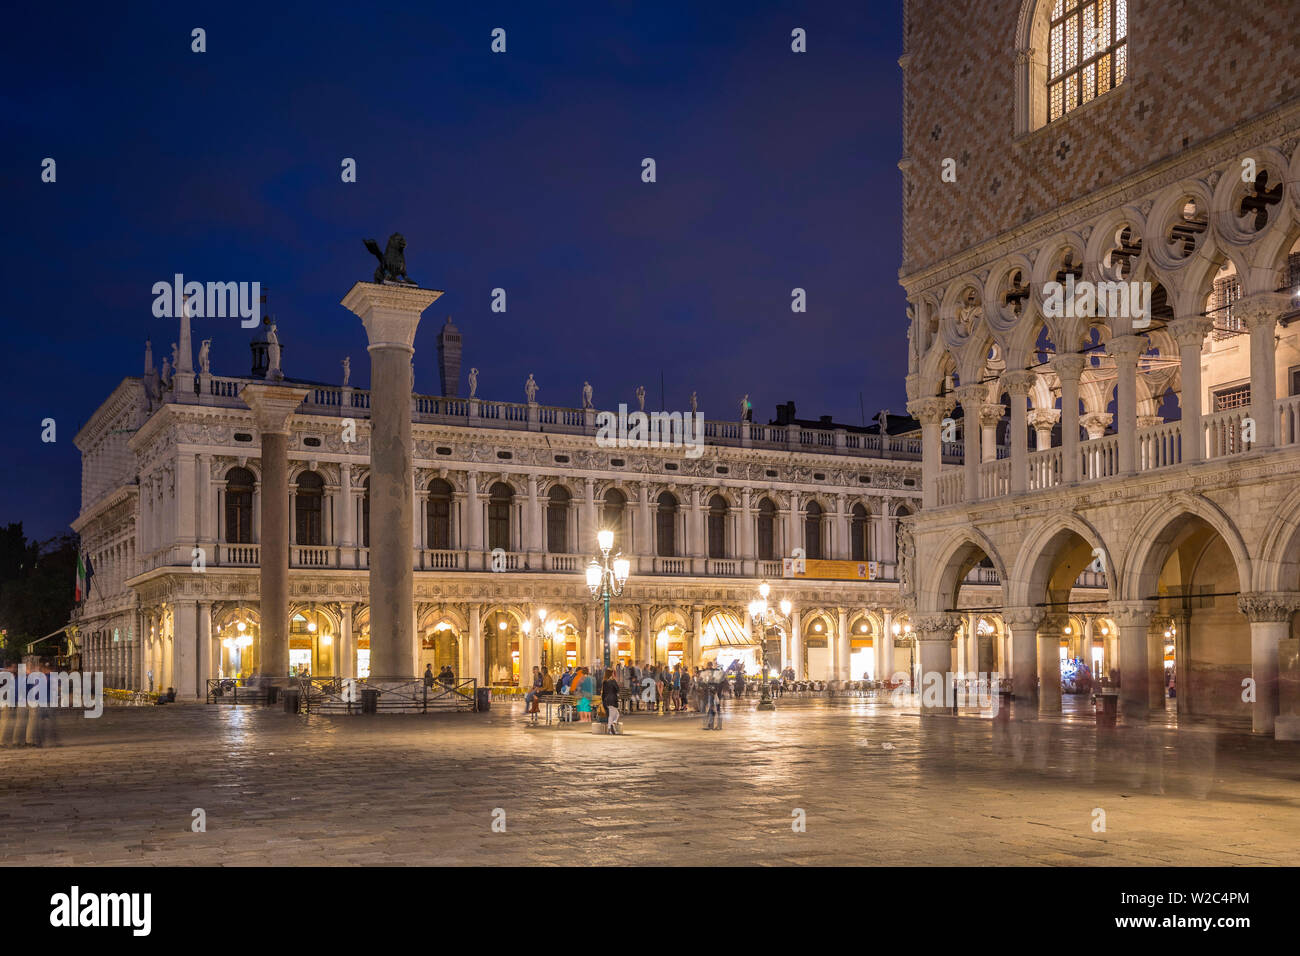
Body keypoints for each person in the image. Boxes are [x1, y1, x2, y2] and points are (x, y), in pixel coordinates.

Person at [601, 668, 621, 733]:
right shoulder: (613, 681)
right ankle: (611, 726)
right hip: (613, 700)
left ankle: (611, 728)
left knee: (613, 714)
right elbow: (618, 690)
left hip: (607, 700)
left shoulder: (604, 682)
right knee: (614, 715)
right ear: (611, 674)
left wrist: (603, 701)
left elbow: (603, 693)